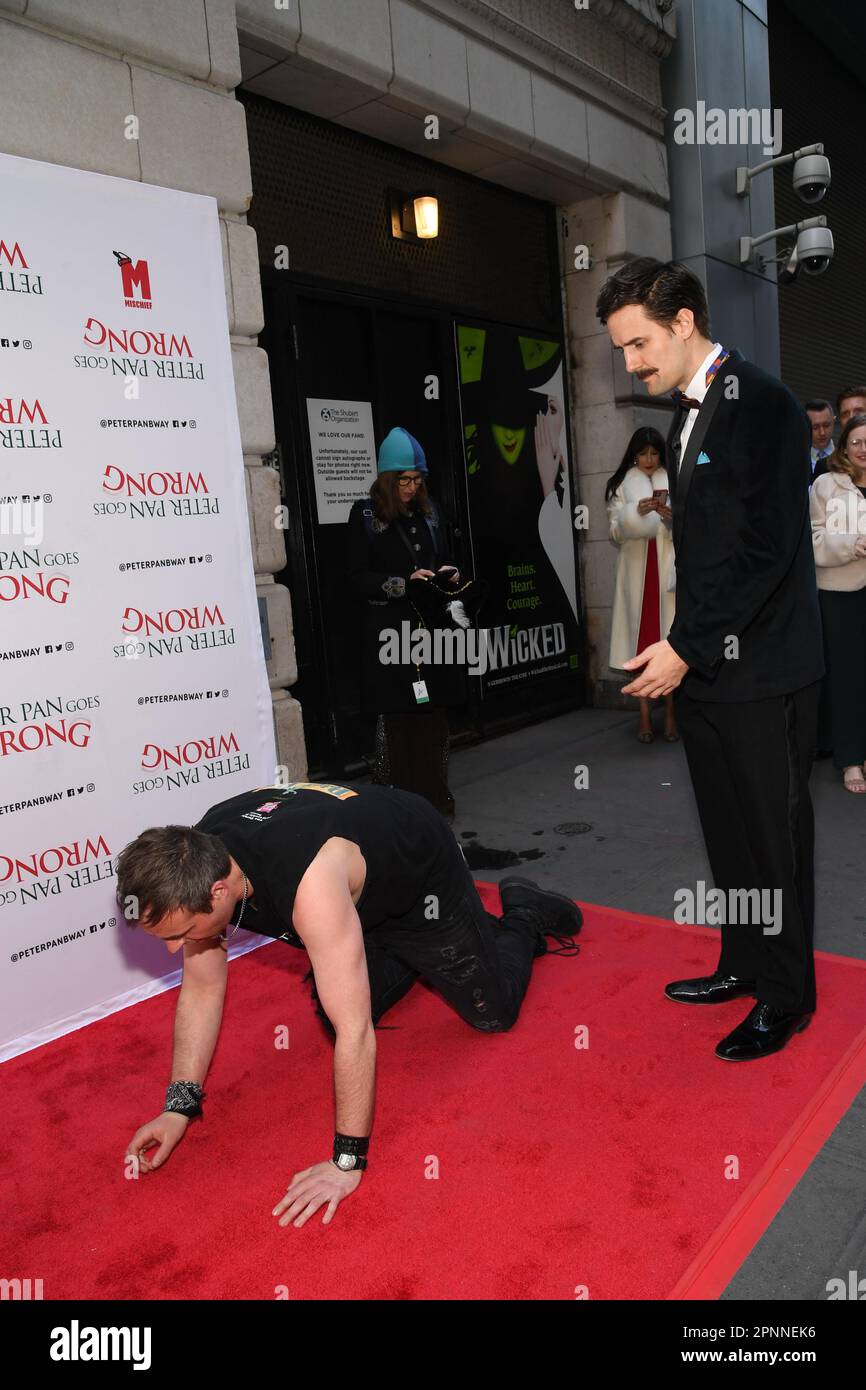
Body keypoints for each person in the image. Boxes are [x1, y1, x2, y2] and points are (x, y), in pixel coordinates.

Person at [116, 782, 582, 1227]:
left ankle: (523, 914)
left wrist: (346, 1162)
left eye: (178, 935)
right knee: (333, 998)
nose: (174, 950)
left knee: (491, 1012)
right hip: (353, 887)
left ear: (220, 891)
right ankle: (397, 951)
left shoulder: (308, 887)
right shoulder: (198, 862)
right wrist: (179, 1107)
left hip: (420, 878)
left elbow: (355, 1030)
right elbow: (201, 988)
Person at [596, 257, 824, 1063]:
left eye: (637, 344)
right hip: (709, 671)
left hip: (763, 672)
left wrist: (686, 647)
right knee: (728, 834)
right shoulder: (687, 415)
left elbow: (768, 549)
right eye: (622, 349)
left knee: (774, 838)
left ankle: (788, 996)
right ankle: (744, 961)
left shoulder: (764, 404)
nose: (631, 364)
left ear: (684, 322)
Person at [346, 427, 466, 817]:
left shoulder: (431, 514)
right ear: (387, 479)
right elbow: (354, 578)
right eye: (404, 480)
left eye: (417, 479)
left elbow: (440, 558)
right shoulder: (364, 515)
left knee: (433, 713)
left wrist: (445, 573)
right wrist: (401, 584)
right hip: (387, 633)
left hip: (429, 629)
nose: (412, 487)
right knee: (396, 716)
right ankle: (395, 802)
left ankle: (434, 794)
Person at [606, 426, 678, 743]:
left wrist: (669, 516)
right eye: (642, 453)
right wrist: (634, 513)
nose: (648, 459)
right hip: (637, 571)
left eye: (653, 453)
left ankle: (672, 715)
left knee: (670, 642)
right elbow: (614, 533)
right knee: (642, 642)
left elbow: (694, 522)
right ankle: (645, 717)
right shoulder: (621, 484)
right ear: (634, 455)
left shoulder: (674, 478)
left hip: (667, 570)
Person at [809, 413, 866, 792]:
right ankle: (850, 760)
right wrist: (851, 546)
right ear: (844, 447)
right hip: (841, 594)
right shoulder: (826, 485)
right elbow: (812, 539)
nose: (864, 449)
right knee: (846, 679)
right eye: (857, 441)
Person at [805, 398, 835, 478]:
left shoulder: (846, 456)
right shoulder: (796, 459)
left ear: (834, 421)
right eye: (815, 427)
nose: (822, 432)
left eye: (826, 425)